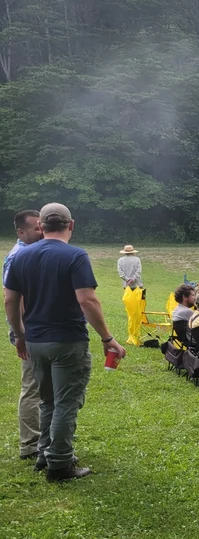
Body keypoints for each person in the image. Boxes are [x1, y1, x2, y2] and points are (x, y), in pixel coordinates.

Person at [3, 203, 127, 481]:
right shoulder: (75, 256)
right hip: (68, 342)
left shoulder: (21, 256)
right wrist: (107, 338)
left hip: (35, 342)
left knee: (47, 401)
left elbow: (10, 300)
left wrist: (19, 335)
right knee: (66, 403)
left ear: (41, 226)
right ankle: (59, 464)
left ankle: (44, 454)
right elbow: (87, 300)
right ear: (71, 225)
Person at [4, 209, 43, 461]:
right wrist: (20, 333)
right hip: (28, 332)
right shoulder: (17, 256)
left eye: (42, 226)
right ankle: (30, 444)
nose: (41, 231)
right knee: (32, 387)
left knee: (39, 386)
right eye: (36, 228)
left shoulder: (33, 252)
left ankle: (39, 439)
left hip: (36, 330)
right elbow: (12, 300)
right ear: (21, 232)